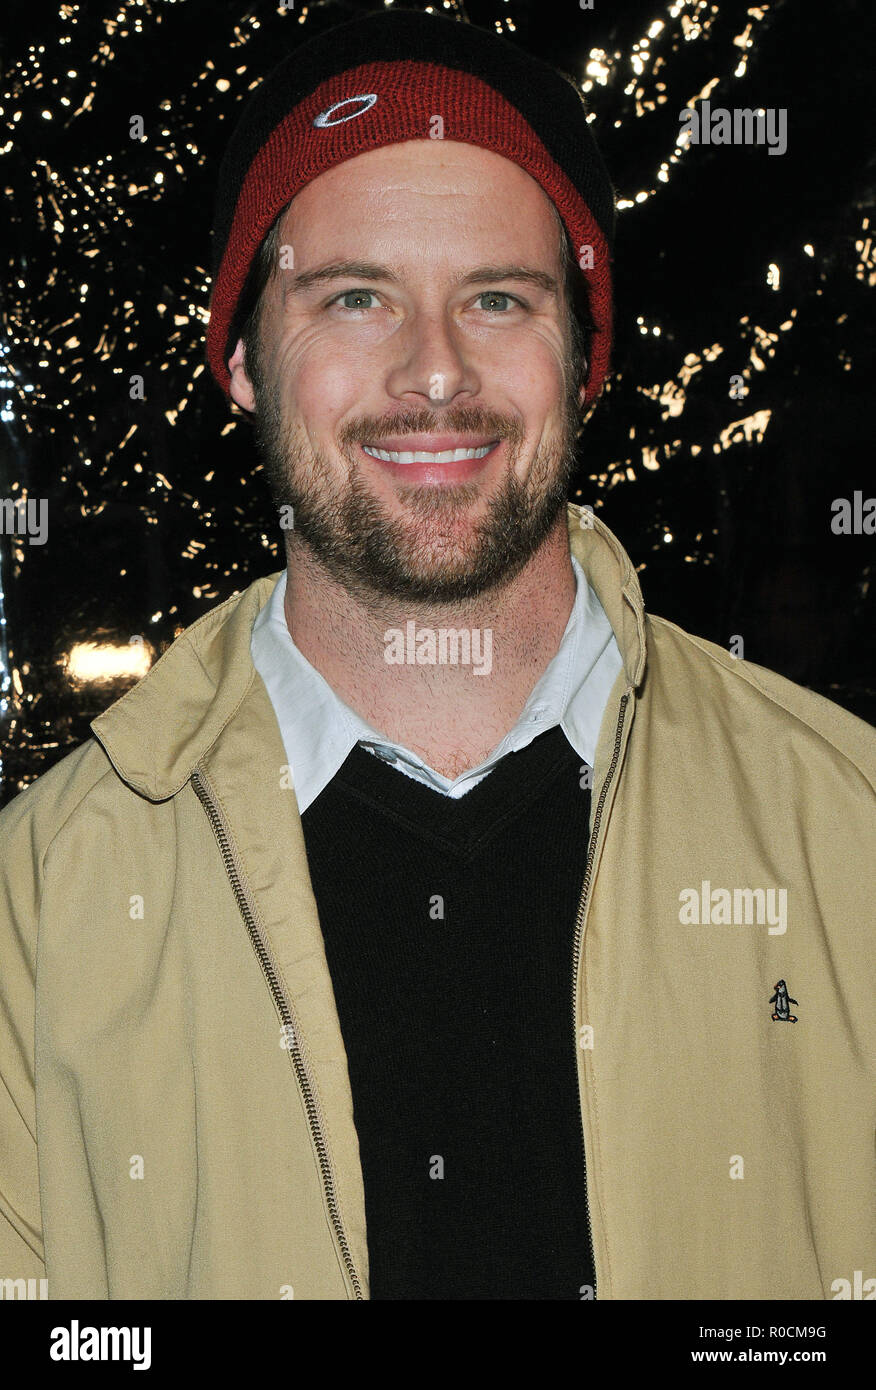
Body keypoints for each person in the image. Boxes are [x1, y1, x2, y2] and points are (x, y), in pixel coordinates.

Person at [1, 7, 873, 1302]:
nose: (436, 372)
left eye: (499, 298)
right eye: (356, 296)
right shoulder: (37, 905)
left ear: (584, 358)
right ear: (239, 362)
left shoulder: (846, 828)